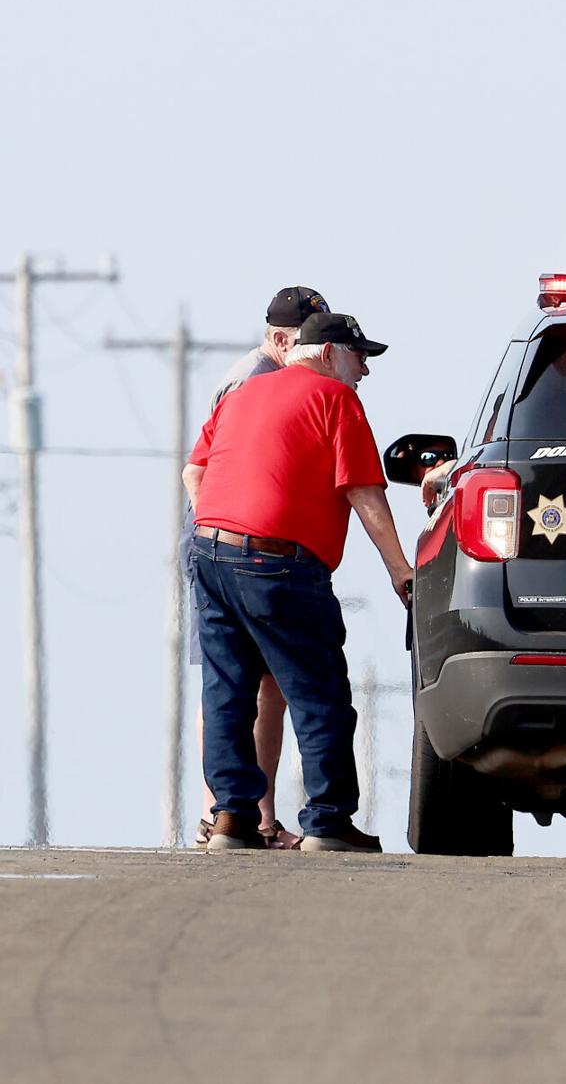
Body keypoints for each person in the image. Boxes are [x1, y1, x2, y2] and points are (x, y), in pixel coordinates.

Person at [183, 312, 414, 851]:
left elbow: (194, 470)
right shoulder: (336, 399)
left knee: (227, 690)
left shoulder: (244, 393)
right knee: (318, 691)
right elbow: (364, 492)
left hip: (210, 553)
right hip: (276, 563)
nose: (364, 371)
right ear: (329, 353)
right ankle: (328, 822)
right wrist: (400, 571)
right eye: (359, 357)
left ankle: (231, 819)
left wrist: (223, 527)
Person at [184, 285, 330, 849]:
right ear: (278, 339)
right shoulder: (255, 380)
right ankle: (224, 812)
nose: (312, 352)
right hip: (229, 541)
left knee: (265, 683)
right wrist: (223, 545)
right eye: (303, 341)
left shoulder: (275, 376)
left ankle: (253, 816)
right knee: (229, 677)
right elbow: (200, 472)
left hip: (236, 542)